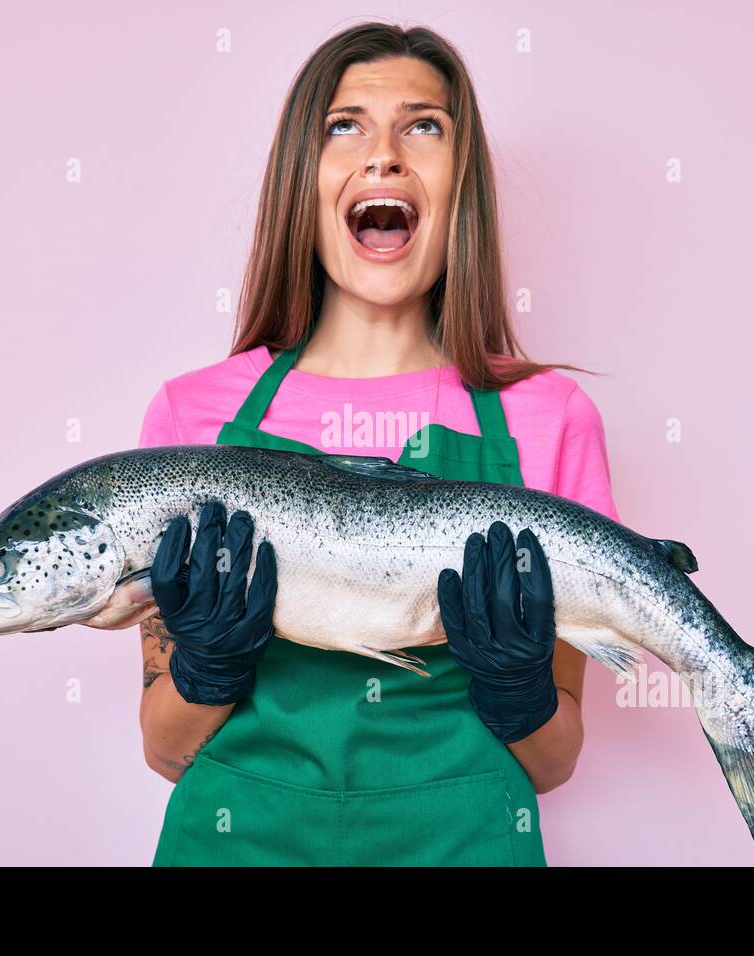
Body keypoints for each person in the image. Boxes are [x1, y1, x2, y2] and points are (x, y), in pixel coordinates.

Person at [135, 22, 619, 866]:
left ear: (461, 186)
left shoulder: (550, 418)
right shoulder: (191, 418)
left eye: (424, 125)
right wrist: (206, 667)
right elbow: (164, 750)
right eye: (344, 124)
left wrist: (517, 690)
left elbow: (555, 762)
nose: (385, 155)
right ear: (301, 179)